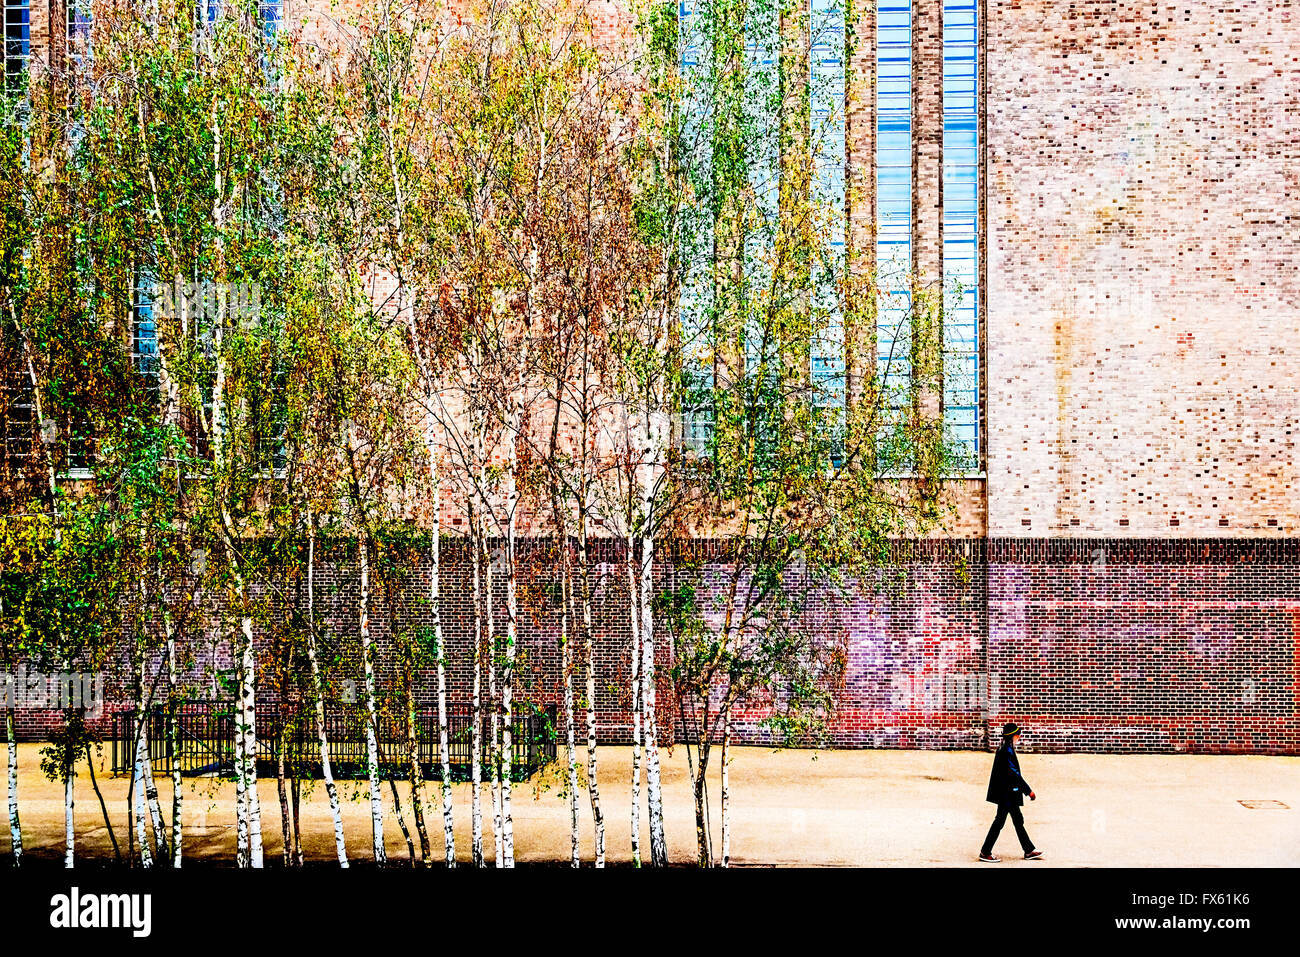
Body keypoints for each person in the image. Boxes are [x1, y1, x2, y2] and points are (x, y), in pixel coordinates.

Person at [979, 722, 1044, 862]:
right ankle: (985, 852)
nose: (1019, 737)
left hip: (1008, 793)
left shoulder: (1005, 748)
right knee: (1000, 822)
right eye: (1018, 735)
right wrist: (1028, 791)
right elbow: (1014, 774)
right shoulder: (1006, 751)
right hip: (1007, 794)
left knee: (1017, 820)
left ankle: (1029, 850)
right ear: (1013, 736)